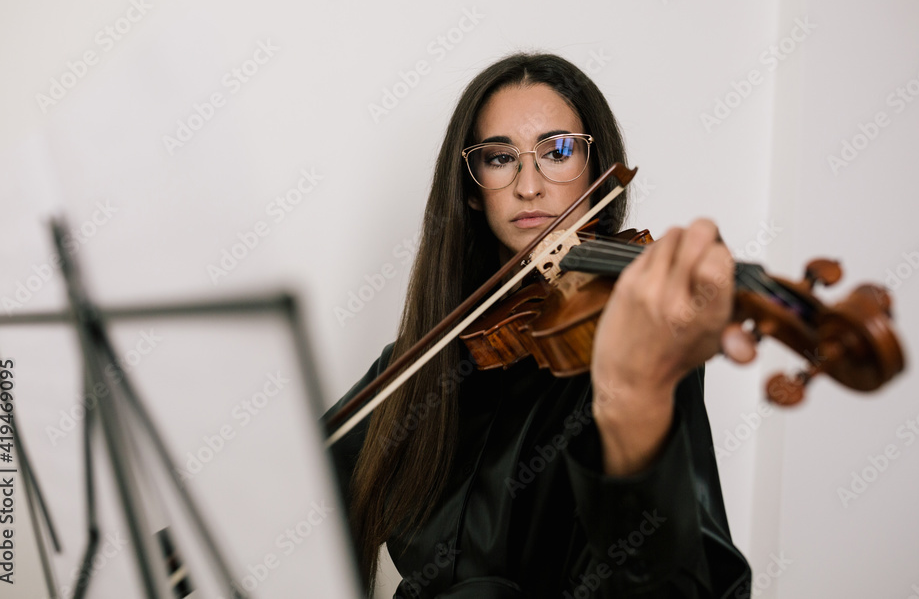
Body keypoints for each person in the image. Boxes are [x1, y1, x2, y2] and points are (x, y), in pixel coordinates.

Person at [323, 52, 753, 598]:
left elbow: (687, 585)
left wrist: (637, 402)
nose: (529, 185)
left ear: (596, 174)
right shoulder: (424, 358)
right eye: (501, 158)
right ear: (473, 188)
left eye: (559, 152)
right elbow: (297, 491)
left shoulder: (637, 351)